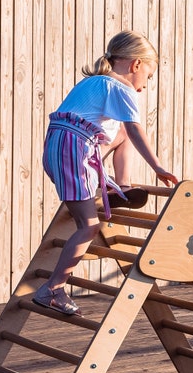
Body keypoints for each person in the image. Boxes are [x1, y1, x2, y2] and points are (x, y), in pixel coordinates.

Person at [35, 30, 180, 315]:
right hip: (73, 149)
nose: (144, 87)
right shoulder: (120, 88)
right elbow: (137, 131)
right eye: (148, 77)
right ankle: (52, 290)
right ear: (136, 65)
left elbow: (118, 133)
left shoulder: (93, 82)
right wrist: (157, 166)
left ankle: (120, 187)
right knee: (88, 226)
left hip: (60, 147)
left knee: (121, 133)